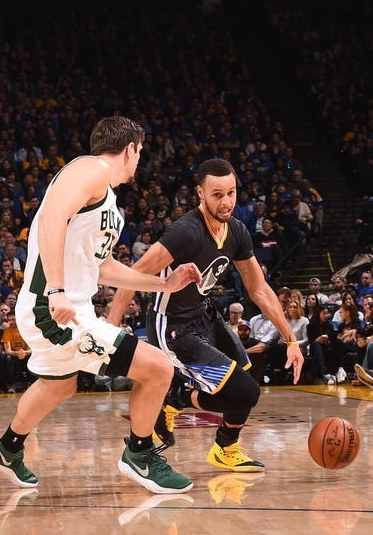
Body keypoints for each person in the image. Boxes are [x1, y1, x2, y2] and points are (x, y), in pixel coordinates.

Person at [0, 116, 202, 494]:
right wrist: (57, 291)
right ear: (130, 148)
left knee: (59, 387)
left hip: (63, 306)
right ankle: (140, 454)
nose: (139, 161)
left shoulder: (107, 199)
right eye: (140, 152)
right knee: (158, 368)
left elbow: (104, 267)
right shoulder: (90, 168)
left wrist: (163, 282)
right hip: (55, 308)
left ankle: (7, 447)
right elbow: (50, 217)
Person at [107, 158, 304, 473]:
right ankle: (178, 395)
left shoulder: (237, 231)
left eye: (231, 193)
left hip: (204, 316)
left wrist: (291, 339)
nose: (226, 202)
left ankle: (225, 448)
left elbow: (260, 289)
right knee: (243, 392)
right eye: (217, 195)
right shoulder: (185, 231)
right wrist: (109, 332)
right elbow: (132, 275)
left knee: (246, 382)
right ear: (200, 193)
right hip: (172, 326)